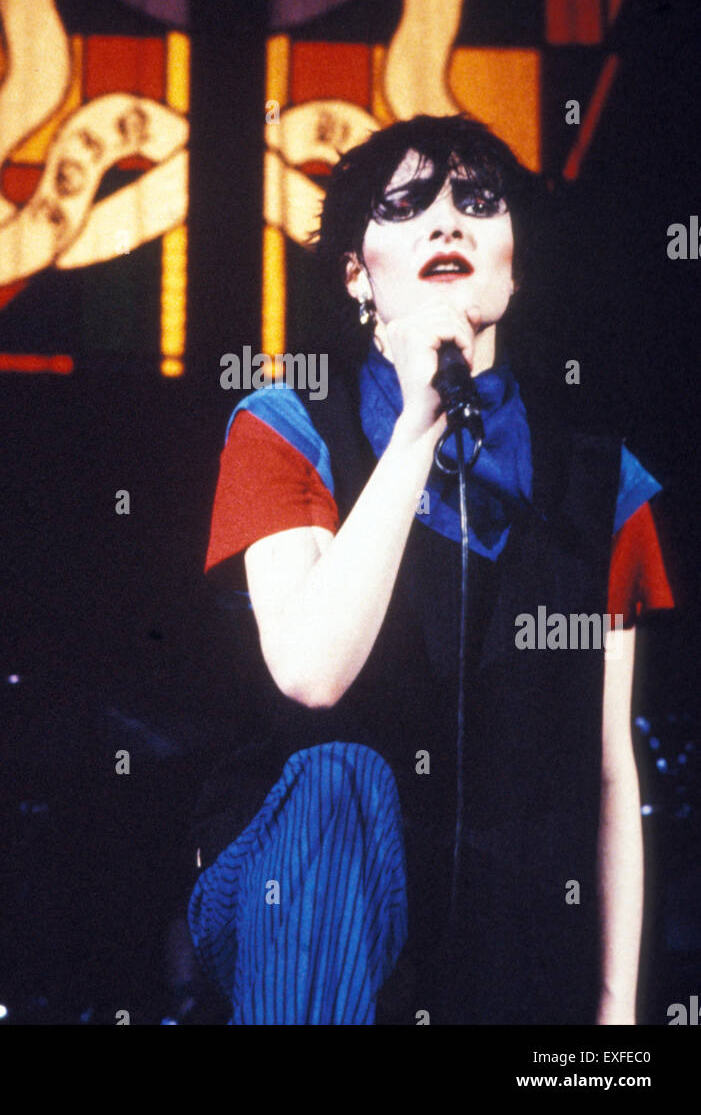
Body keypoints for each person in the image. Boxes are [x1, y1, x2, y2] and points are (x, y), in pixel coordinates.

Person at [187, 114, 674, 1025]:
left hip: (509, 941)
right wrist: (418, 425)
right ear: (355, 274)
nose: (447, 222)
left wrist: (613, 1029)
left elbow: (608, 775)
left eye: (478, 203)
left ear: (514, 264)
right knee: (338, 785)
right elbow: (310, 671)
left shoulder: (602, 484)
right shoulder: (287, 427)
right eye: (407, 205)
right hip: (303, 911)